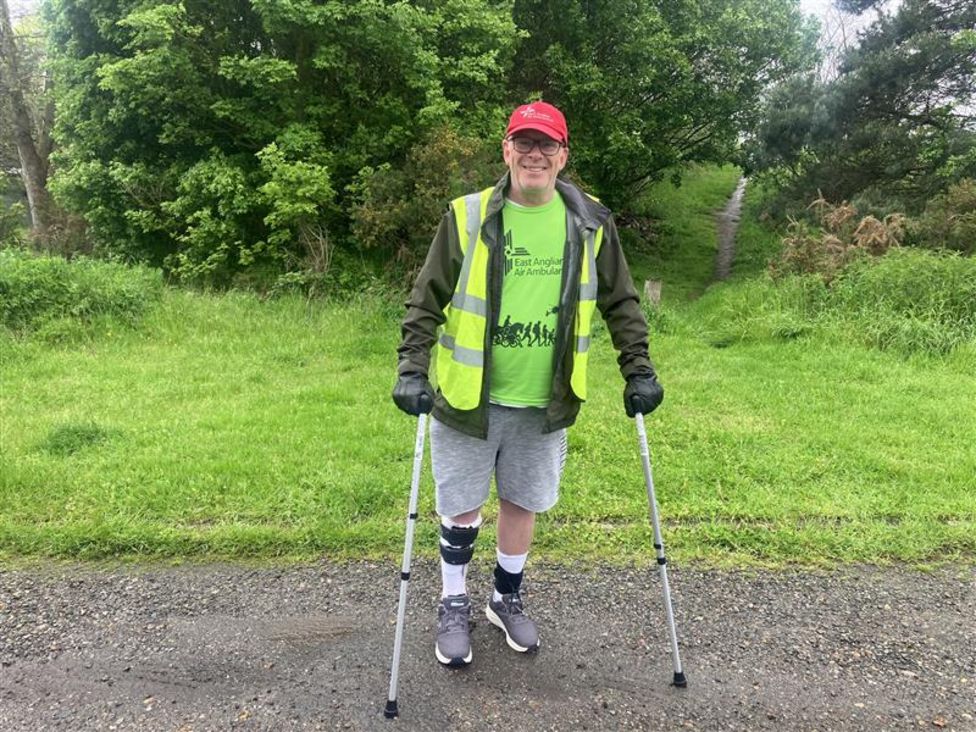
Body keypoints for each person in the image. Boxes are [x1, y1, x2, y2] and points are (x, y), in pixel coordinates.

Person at [392, 101, 663, 667]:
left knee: (523, 501)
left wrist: (638, 367)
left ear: (563, 155)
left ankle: (504, 598)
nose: (534, 154)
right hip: (471, 397)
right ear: (506, 149)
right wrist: (411, 367)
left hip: (545, 400)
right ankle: (452, 601)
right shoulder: (467, 215)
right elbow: (428, 296)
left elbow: (622, 301)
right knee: (461, 506)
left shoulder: (591, 221)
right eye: (525, 142)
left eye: (547, 145)